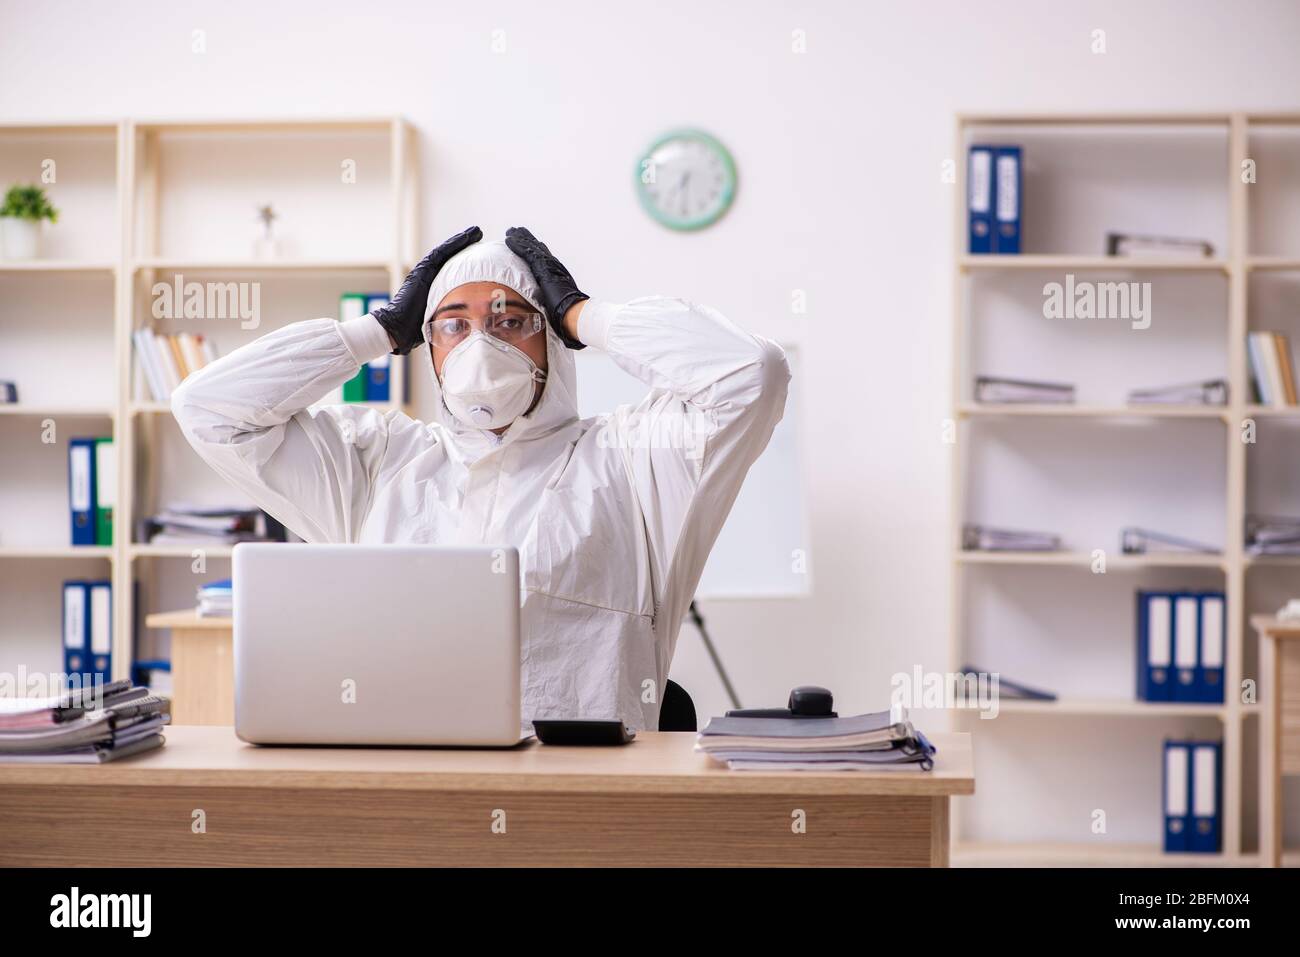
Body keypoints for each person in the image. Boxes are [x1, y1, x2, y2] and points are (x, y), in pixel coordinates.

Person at [172, 227, 790, 731]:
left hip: (583, 809)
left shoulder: (633, 459)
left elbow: (751, 374)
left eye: (509, 320)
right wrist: (377, 330)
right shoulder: (380, 460)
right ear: (427, 343)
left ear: (551, 338)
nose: (479, 344)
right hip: (409, 793)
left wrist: (585, 315)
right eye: (453, 325)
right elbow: (209, 410)